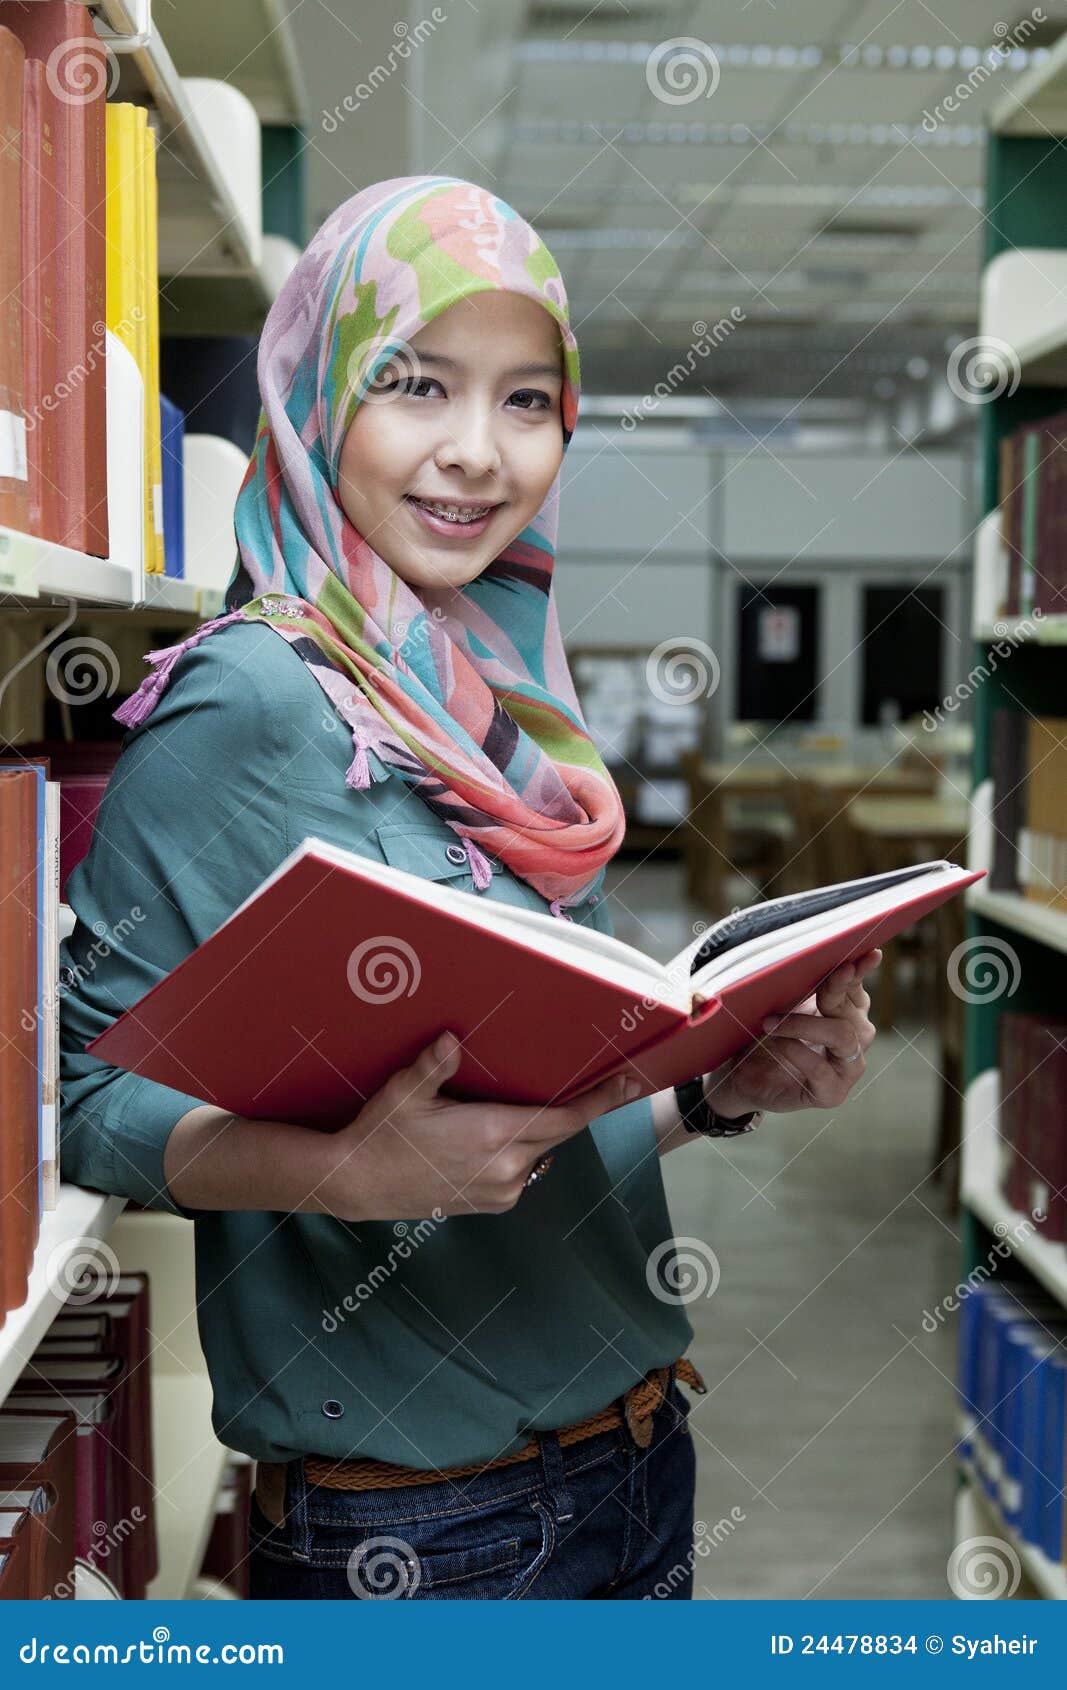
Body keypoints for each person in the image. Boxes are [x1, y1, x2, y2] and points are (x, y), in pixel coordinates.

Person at [58, 176, 879, 1601]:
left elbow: (530, 1119)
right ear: (318, 394)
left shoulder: (493, 687)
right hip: (425, 1533)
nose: (477, 455)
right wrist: (340, 1174)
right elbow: (82, 1108)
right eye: (417, 386)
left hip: (638, 1452)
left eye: (527, 401)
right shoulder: (256, 696)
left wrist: (722, 1082)